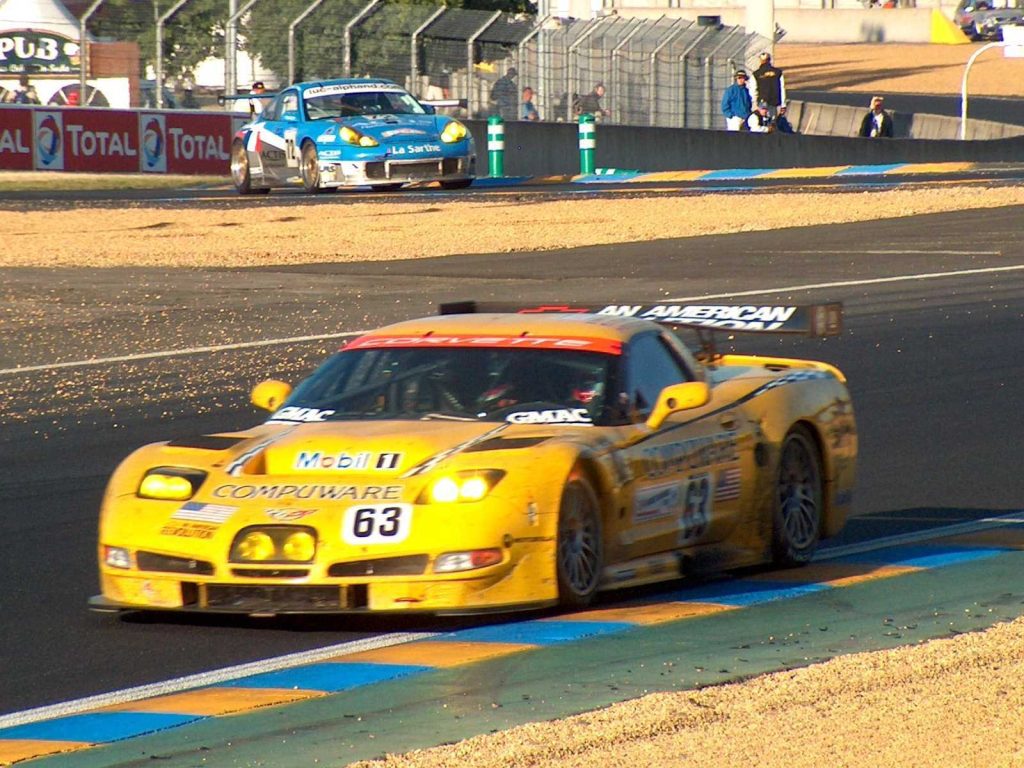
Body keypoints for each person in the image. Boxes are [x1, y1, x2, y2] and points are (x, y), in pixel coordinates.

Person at [751, 51, 786, 116]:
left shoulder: (756, 74)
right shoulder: (778, 72)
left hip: (761, 102)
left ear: (760, 61)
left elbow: (753, 90)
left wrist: (754, 104)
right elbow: (782, 88)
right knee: (772, 122)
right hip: (774, 102)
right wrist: (783, 104)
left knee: (762, 122)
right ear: (769, 60)